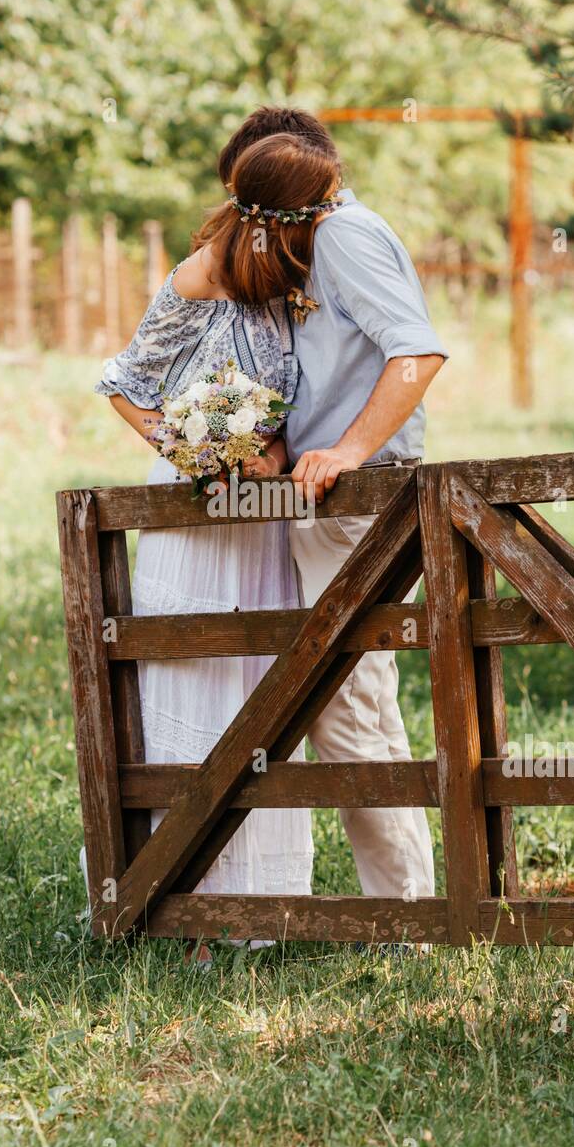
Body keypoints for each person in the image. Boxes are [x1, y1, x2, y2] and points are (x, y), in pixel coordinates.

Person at [91, 130, 349, 925]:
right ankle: (175, 892)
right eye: (322, 207)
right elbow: (123, 382)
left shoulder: (299, 277)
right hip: (196, 516)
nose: (332, 218)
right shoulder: (200, 276)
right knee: (196, 678)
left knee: (261, 688)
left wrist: (272, 446)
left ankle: (257, 902)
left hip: (265, 525)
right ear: (277, 216)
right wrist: (189, 448)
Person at [219, 108, 449, 907]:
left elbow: (415, 353)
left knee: (345, 702)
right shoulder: (321, 239)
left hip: (361, 494)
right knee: (352, 699)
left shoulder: (345, 236)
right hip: (323, 494)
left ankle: (405, 912)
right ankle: (407, 901)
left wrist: (348, 450)